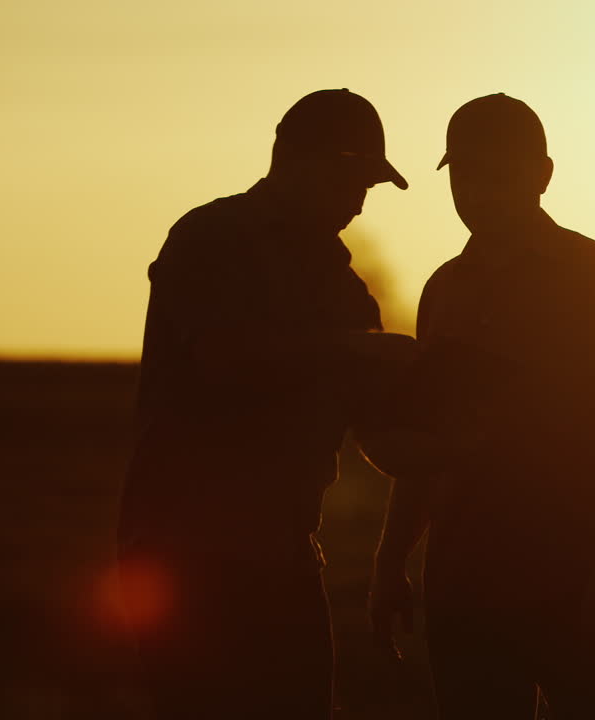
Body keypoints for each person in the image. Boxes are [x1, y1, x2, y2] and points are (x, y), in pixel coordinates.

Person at [118, 88, 407, 719]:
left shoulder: (343, 286)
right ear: (305, 162)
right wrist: (354, 353)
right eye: (356, 180)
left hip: (281, 557)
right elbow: (223, 362)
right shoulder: (210, 238)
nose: (361, 204)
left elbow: (386, 436)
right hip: (185, 556)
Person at [369, 93, 595, 720]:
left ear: (542, 176)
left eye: (497, 174)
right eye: (465, 174)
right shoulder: (444, 289)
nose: (479, 191)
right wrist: (392, 558)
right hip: (465, 593)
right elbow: (428, 437)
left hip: (573, 587)